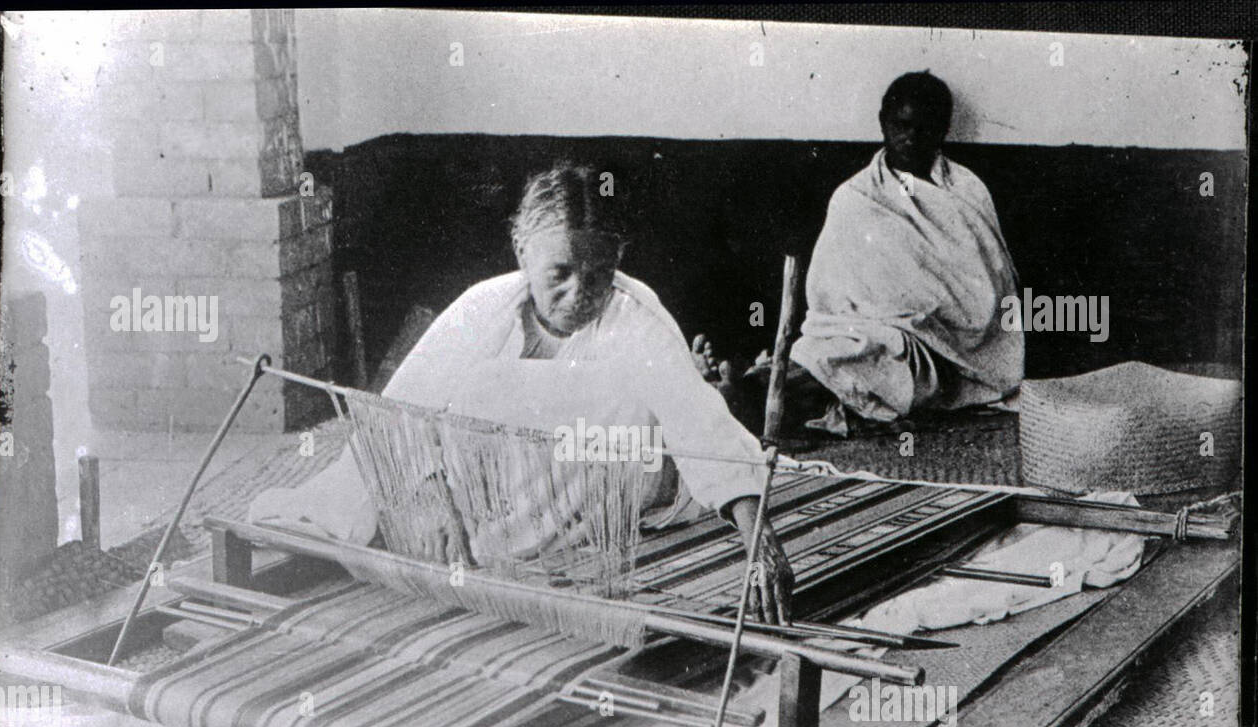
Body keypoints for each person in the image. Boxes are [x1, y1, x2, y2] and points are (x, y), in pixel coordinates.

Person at [251, 164, 795, 623]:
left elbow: (695, 419)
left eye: (599, 273)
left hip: (618, 476)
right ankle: (471, 531)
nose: (579, 293)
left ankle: (490, 544)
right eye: (559, 272)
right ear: (521, 250)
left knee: (622, 402)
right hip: (504, 487)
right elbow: (399, 413)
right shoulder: (479, 308)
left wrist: (759, 543)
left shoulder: (635, 315)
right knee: (467, 401)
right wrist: (430, 493)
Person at [694, 71, 1023, 437]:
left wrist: (918, 317)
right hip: (854, 330)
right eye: (901, 125)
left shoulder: (966, 192)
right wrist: (877, 319)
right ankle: (751, 390)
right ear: (883, 123)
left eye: (924, 128)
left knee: (883, 361)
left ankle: (752, 397)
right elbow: (828, 300)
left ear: (944, 129)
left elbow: (988, 288)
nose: (910, 138)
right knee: (830, 353)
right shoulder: (855, 198)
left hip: (942, 349)